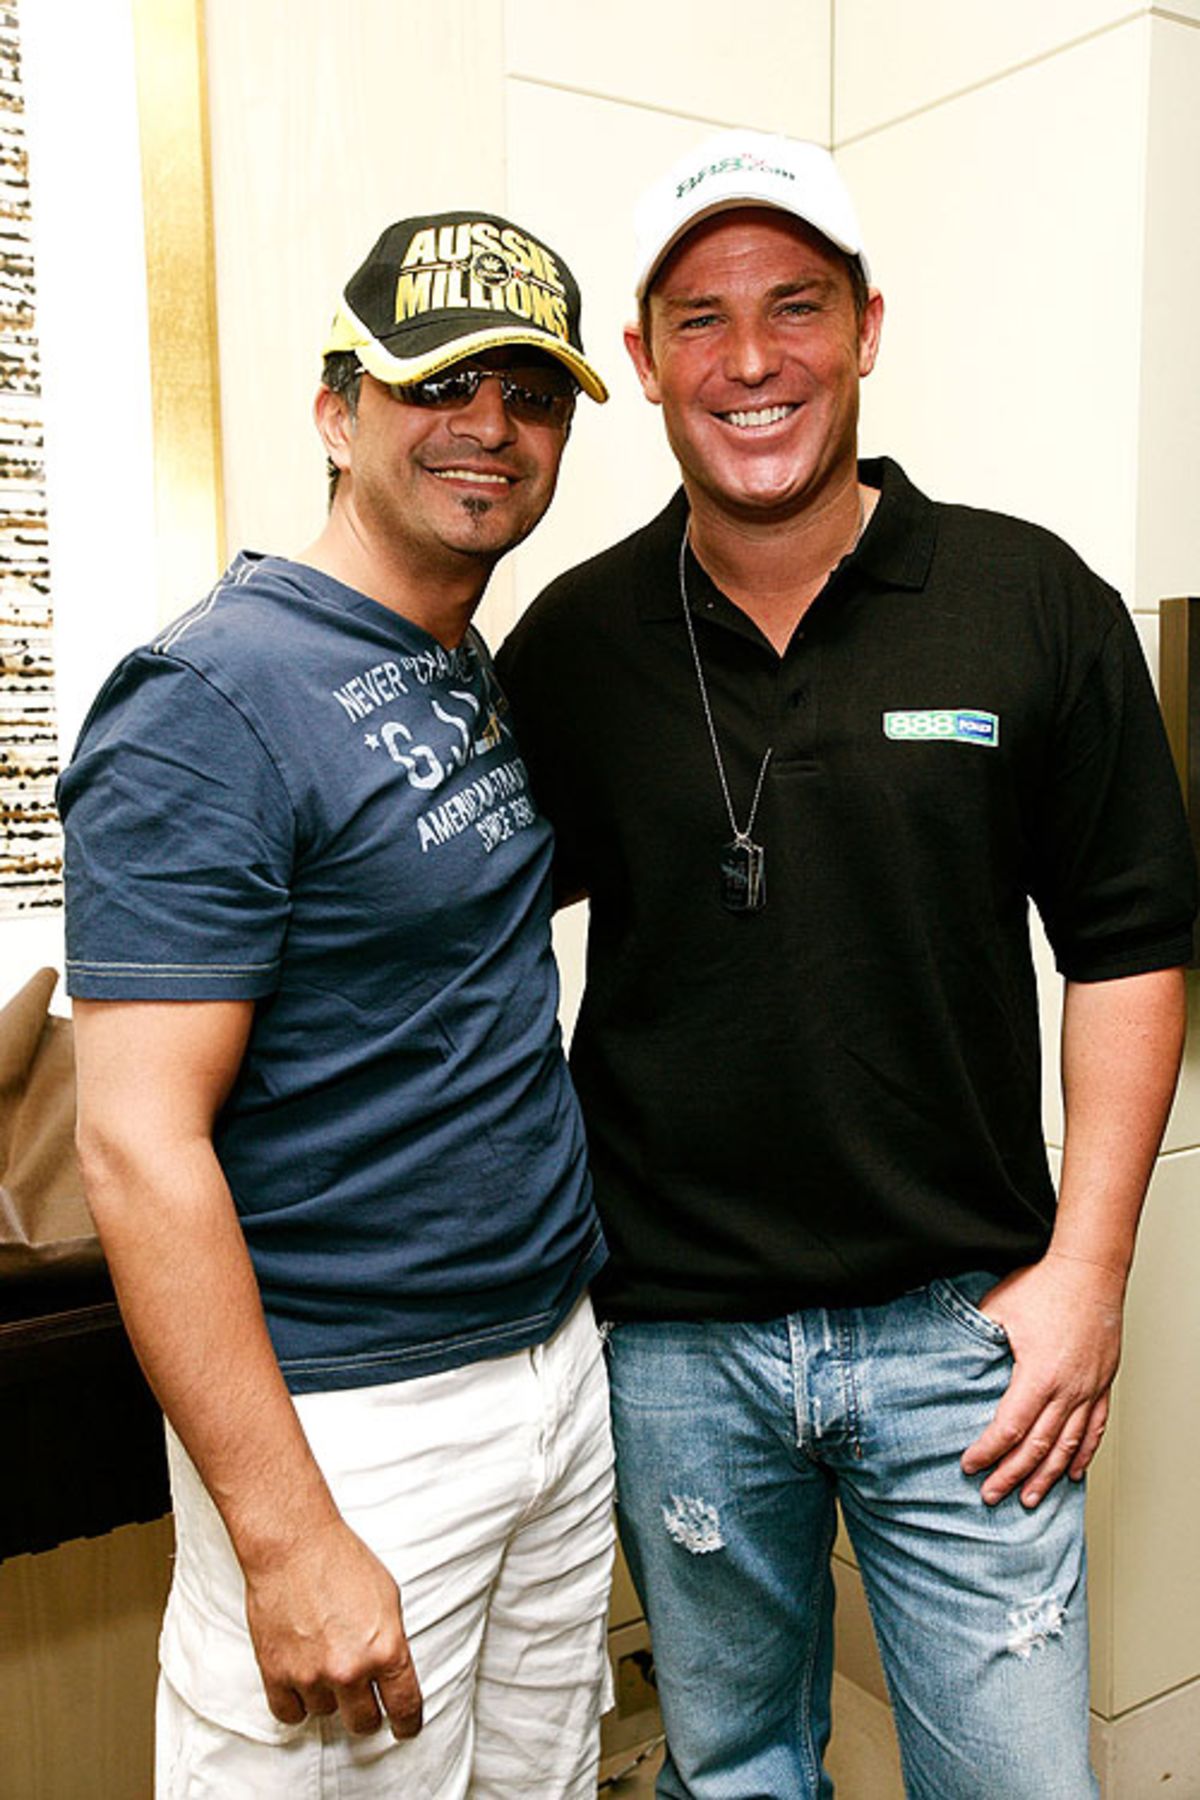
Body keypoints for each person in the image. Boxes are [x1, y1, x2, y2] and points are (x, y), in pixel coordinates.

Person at [496, 132, 1196, 1799]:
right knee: (734, 1773)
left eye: (795, 306)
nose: (752, 362)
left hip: (965, 1338)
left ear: (867, 328)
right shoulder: (575, 646)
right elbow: (465, 944)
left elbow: (1132, 944)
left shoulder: (1029, 602)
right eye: (701, 320)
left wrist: (1088, 1274)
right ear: (645, 362)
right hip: (672, 1350)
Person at [59, 208, 615, 1799]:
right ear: (336, 409)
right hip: (356, 1425)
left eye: (530, 390)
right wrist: (290, 1535)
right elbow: (137, 1147)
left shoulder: (460, 657)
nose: (490, 427)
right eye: (440, 382)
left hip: (549, 1376)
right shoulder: (211, 699)